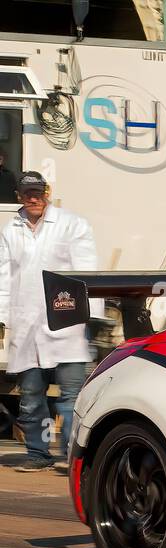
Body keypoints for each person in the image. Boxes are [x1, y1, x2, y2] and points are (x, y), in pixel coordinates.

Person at [0, 172, 101, 473]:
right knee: (31, 397)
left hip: (67, 324)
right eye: (27, 193)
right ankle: (38, 453)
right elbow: (4, 277)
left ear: (46, 193)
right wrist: (1, 318)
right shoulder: (10, 230)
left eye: (38, 193)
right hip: (26, 325)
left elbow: (87, 271)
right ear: (18, 195)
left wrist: (91, 315)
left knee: (71, 398)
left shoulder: (72, 224)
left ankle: (73, 457)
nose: (33, 199)